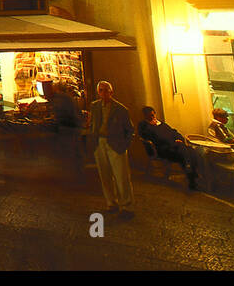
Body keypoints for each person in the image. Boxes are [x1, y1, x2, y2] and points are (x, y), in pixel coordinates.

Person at [87, 80, 135, 218]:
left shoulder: (121, 109)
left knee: (121, 176)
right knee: (105, 175)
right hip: (100, 143)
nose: (103, 93)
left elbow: (130, 129)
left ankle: (126, 205)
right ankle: (111, 203)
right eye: (101, 90)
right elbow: (93, 123)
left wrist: (124, 145)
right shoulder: (94, 106)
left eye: (106, 90)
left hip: (115, 144)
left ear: (111, 92)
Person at [137, 106, 203, 190]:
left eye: (153, 115)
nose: (152, 117)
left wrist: (179, 139)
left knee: (191, 151)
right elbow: (156, 138)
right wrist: (173, 142)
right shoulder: (144, 126)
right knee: (183, 151)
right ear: (145, 116)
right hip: (162, 149)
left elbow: (173, 132)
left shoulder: (161, 124)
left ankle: (190, 171)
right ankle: (191, 175)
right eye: (149, 116)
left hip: (174, 146)